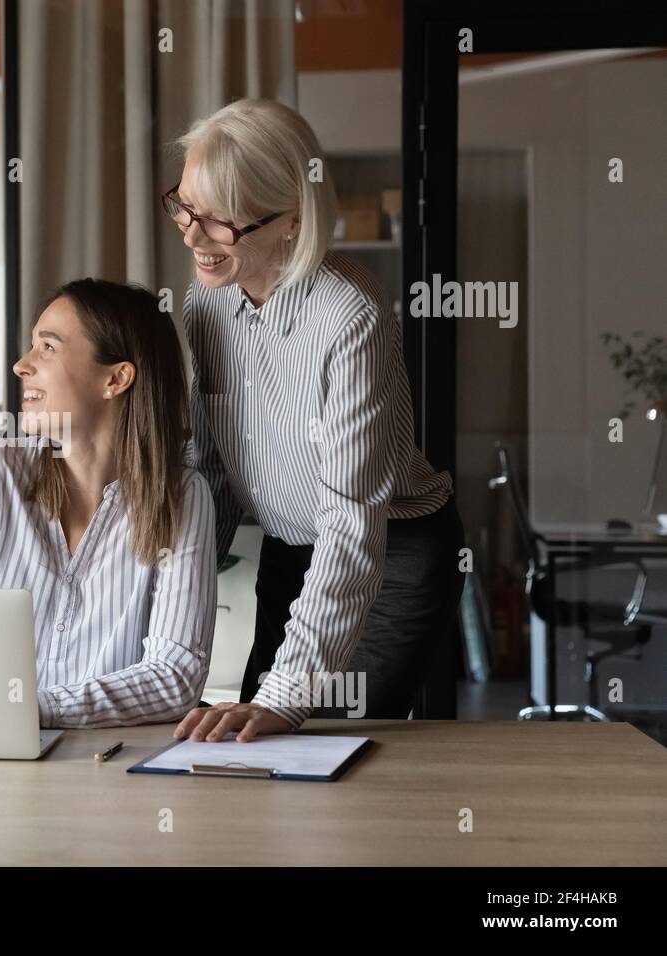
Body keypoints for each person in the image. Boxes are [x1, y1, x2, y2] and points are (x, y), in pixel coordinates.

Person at [167, 98, 465, 744]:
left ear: (291, 222)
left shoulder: (350, 315)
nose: (191, 236)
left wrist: (287, 693)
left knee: (320, 744)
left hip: (389, 554)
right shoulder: (205, 304)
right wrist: (173, 607)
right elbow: (212, 470)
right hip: (290, 548)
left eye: (220, 222)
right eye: (185, 207)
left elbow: (351, 524)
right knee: (245, 744)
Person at [0, 278, 216, 727]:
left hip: (119, 771)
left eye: (48, 347)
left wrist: (30, 711)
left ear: (116, 378)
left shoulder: (183, 497)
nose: (22, 366)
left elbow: (175, 676)